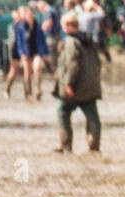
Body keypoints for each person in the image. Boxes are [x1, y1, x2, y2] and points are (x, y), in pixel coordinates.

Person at [52, 11, 101, 153]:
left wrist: (69, 84)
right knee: (92, 116)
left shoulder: (71, 42)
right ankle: (94, 146)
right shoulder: (88, 39)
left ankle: (65, 145)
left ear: (67, 26)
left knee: (62, 110)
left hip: (75, 88)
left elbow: (73, 65)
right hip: (91, 87)